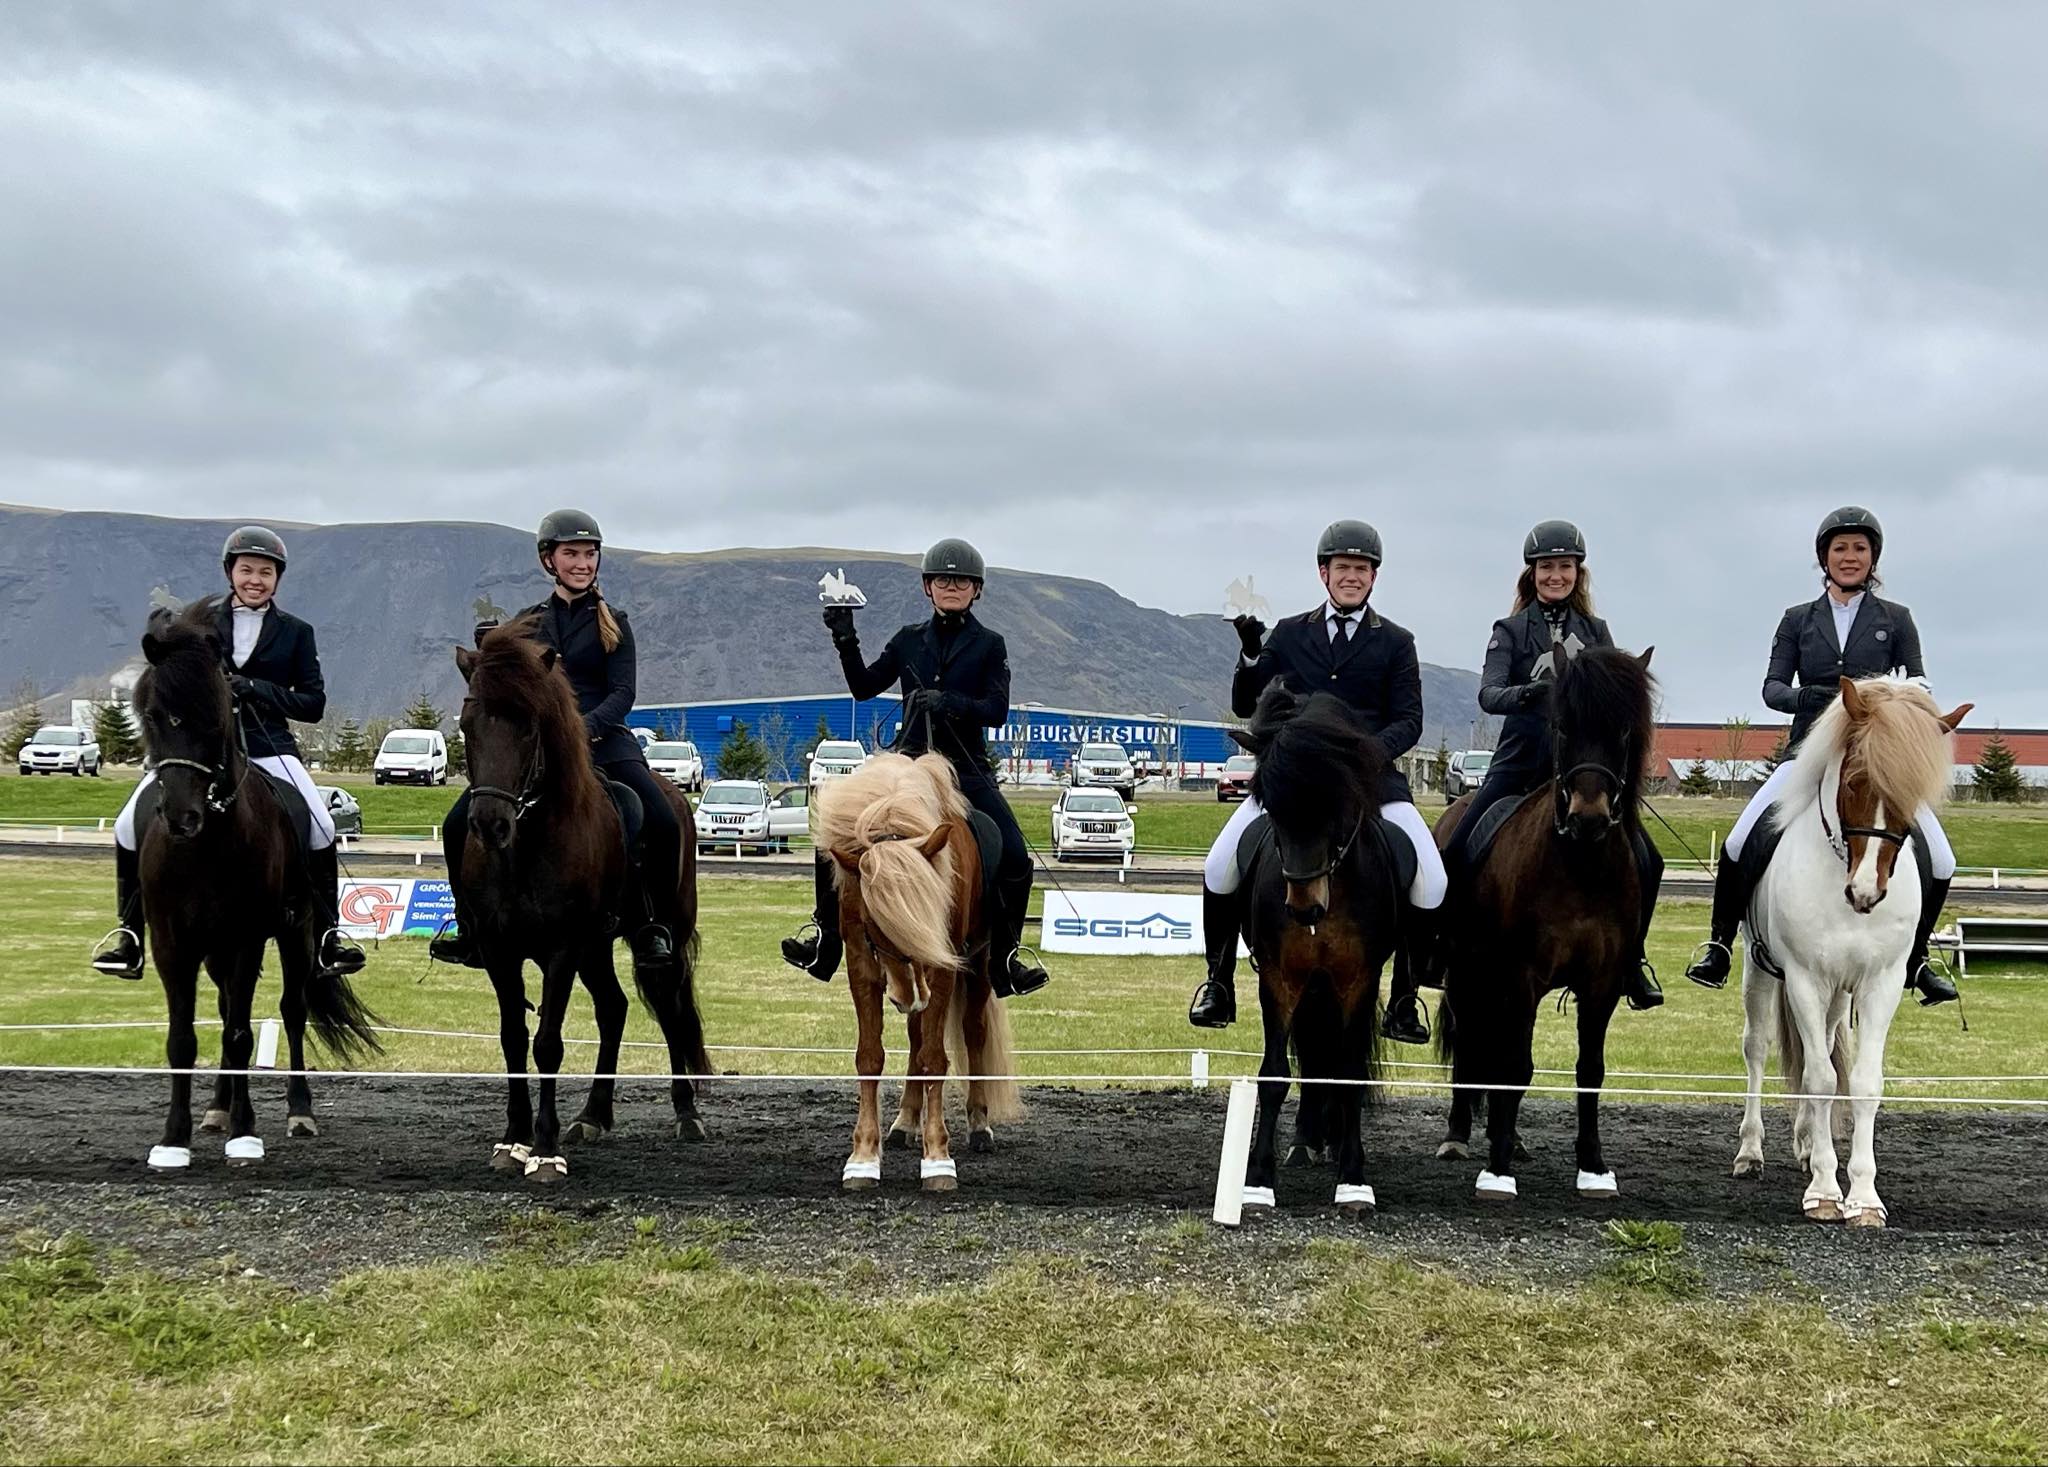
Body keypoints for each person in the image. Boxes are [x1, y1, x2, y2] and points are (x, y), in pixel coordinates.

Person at [1383, 520, 1664, 1043]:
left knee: (1647, 858)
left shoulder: (1597, 632)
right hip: (1518, 764)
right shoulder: (1510, 631)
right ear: (1531, 574)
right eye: (1545, 567)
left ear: (1578, 572)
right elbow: (1489, 694)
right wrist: (1534, 693)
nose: (1555, 575)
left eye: (1564, 566)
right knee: (1458, 847)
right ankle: (1423, 964)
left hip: (1579, 768)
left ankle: (1632, 958)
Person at [1684, 506, 1958, 1004]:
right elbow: (1771, 687)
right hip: (1808, 754)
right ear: (1824, 558)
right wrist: (1806, 698)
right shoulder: (1797, 620)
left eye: (1859, 548)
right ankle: (1720, 943)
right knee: (1741, 839)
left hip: (1876, 763)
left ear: (1873, 557)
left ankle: (1918, 959)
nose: (1849, 557)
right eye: (1840, 548)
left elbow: (1919, 683)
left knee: (1941, 857)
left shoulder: (1897, 619)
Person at [1187, 520, 1448, 1030]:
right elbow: (1246, 705)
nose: (1352, 576)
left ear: (1374, 577)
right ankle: (1217, 982)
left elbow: (1409, 721)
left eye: (1362, 569)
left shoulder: (1396, 642)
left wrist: (1363, 756)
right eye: (1343, 568)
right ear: (1323, 573)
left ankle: (1404, 997)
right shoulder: (1289, 633)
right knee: (1219, 866)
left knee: (1432, 878)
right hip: (1292, 785)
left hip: (1370, 782)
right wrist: (1249, 652)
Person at [779, 538, 1050, 997]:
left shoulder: (990, 645)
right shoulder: (908, 640)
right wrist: (844, 637)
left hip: (965, 768)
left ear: (975, 590)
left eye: (960, 580)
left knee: (1017, 858)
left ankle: (1006, 958)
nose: (951, 586)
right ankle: (824, 941)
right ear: (928, 587)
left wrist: (949, 702)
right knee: (835, 840)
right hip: (905, 766)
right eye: (942, 579)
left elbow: (996, 709)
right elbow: (864, 686)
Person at [93, 526, 365, 981]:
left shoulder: (297, 633)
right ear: (230, 573)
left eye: (265, 572)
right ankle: (129, 934)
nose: (255, 579)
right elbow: (166, 671)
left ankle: (327, 936)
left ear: (277, 578)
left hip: (268, 747)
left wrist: (254, 689)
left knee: (319, 823)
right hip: (201, 752)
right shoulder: (200, 625)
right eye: (246, 570)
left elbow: (313, 704)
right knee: (126, 823)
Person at [429, 509, 680, 970]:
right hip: (540, 752)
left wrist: (583, 729)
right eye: (572, 554)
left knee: (662, 819)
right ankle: (470, 927)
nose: (582, 563)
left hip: (605, 742)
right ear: (550, 560)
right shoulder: (526, 624)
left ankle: (651, 926)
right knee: (454, 823)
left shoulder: (615, 622)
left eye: (589, 554)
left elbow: (623, 692)